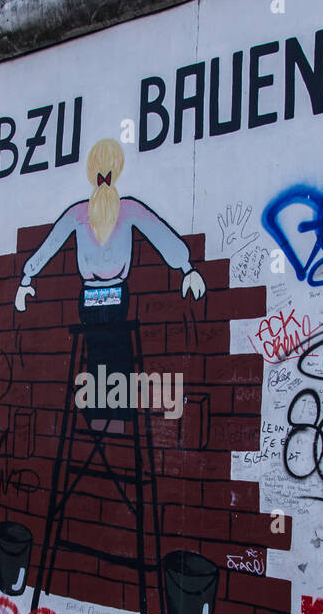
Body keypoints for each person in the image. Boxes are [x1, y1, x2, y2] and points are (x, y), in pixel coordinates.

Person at [15, 138, 205, 430]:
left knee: (100, 355)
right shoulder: (123, 208)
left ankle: (101, 420)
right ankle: (112, 421)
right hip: (115, 294)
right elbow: (160, 234)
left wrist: (27, 277)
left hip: (92, 296)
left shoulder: (83, 212)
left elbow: (50, 244)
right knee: (115, 354)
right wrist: (186, 267)